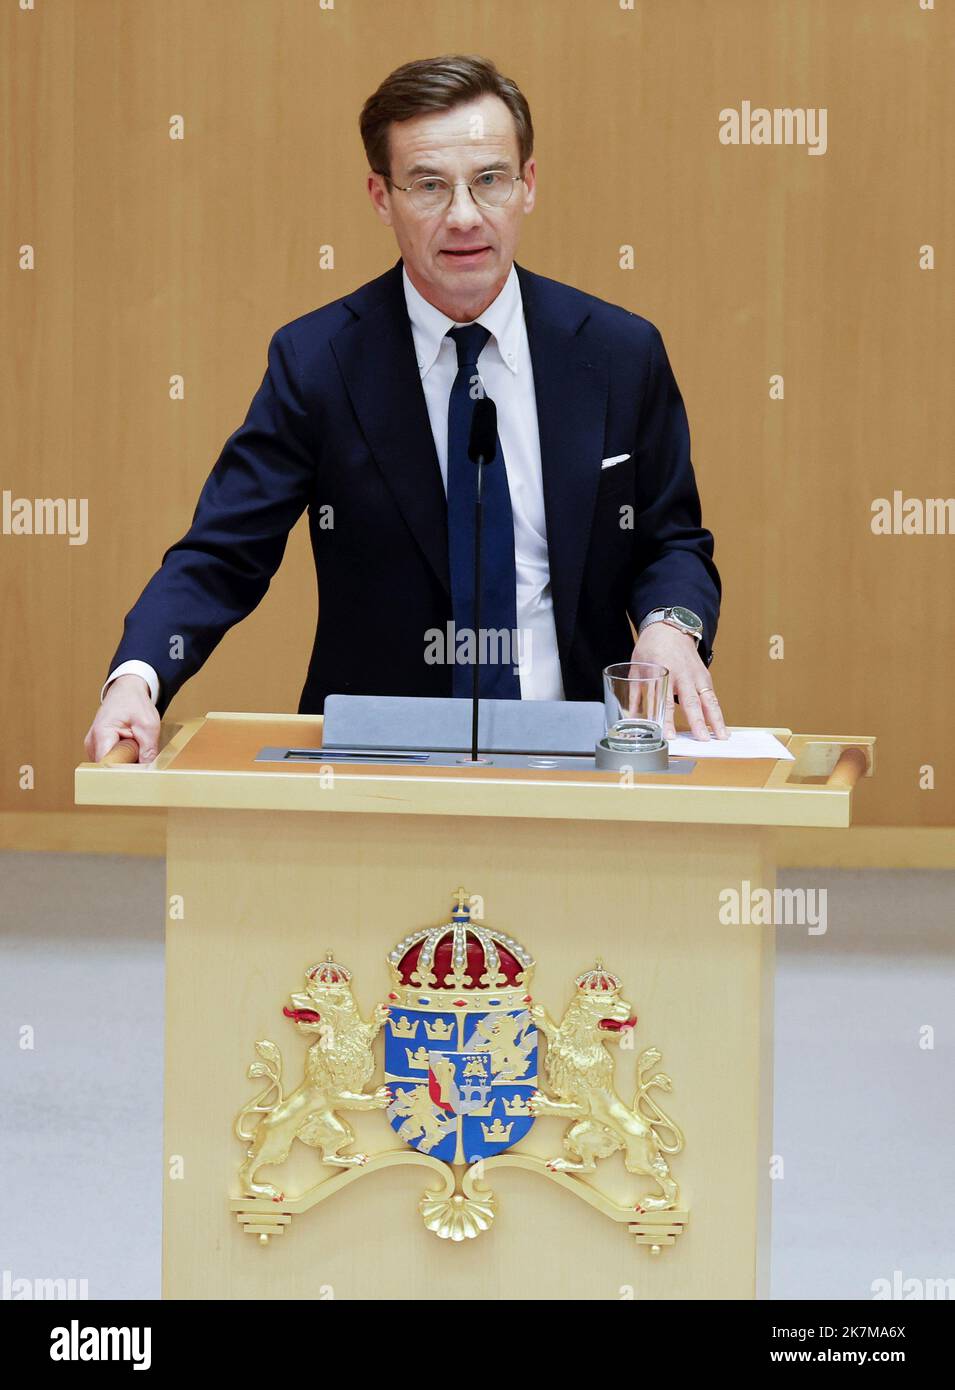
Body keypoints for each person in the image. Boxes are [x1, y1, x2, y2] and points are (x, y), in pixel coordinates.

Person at [84, 54, 726, 765]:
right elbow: (222, 552)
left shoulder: (616, 352)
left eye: (488, 180)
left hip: (579, 752)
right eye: (427, 185)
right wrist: (137, 679)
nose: (462, 216)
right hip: (377, 762)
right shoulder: (319, 361)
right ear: (380, 196)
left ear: (528, 185)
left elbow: (670, 539)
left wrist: (670, 625)